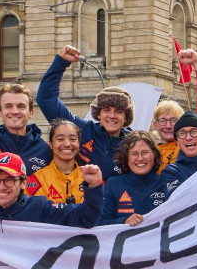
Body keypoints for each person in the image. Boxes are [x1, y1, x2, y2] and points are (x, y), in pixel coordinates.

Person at [36, 46, 133, 177]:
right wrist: (61, 63)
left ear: (126, 116)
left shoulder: (134, 143)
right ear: (98, 113)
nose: (112, 116)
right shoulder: (83, 130)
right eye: (106, 110)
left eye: (119, 111)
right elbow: (46, 99)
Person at [101, 131, 170, 225]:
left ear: (154, 154)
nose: (140, 158)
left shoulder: (166, 183)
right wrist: (124, 222)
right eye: (134, 154)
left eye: (145, 153)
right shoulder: (113, 184)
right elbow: (101, 223)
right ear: (126, 157)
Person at [28, 120, 92, 205]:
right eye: (60, 139)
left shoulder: (91, 179)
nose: (67, 144)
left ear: (79, 143)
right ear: (50, 144)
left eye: (72, 139)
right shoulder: (35, 182)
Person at [158, 110, 197, 190]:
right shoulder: (171, 172)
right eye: (182, 133)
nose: (188, 137)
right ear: (177, 143)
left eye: (194, 131)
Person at [152, 100, 185, 169]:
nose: (168, 126)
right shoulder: (150, 154)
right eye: (162, 121)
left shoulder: (187, 150)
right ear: (155, 125)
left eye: (173, 120)